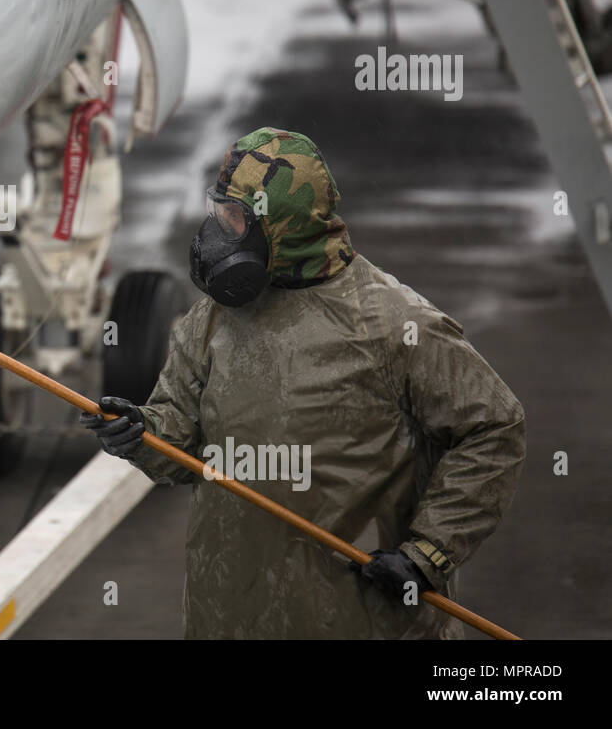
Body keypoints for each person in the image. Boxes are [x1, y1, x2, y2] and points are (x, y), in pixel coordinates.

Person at [82, 127, 526, 638]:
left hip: (360, 621)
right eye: (218, 213)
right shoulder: (213, 319)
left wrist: (427, 553)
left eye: (234, 218)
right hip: (229, 616)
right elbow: (178, 437)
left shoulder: (393, 325)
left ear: (281, 227)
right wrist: (141, 432)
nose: (218, 232)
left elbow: (494, 426)